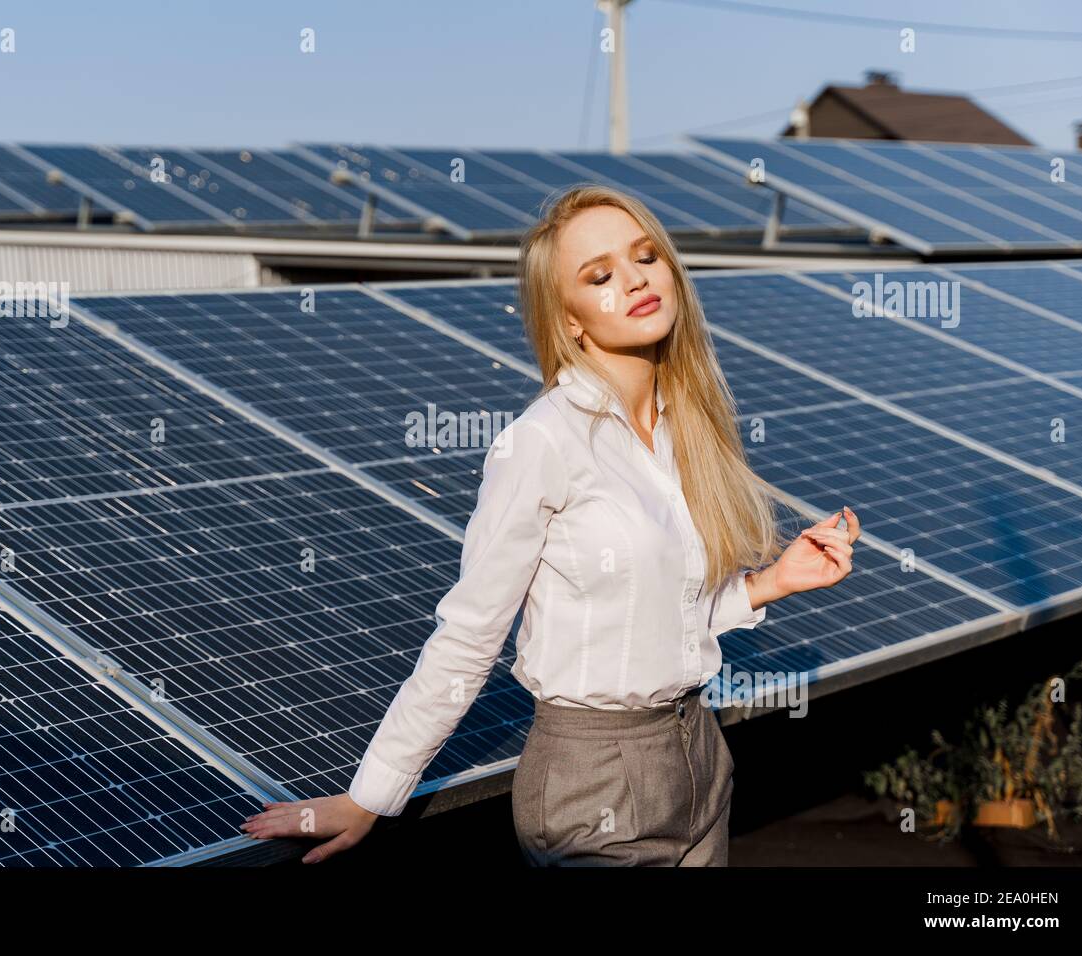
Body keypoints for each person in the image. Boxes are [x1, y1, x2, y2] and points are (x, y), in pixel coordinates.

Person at [240, 183, 860, 865]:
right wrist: (372, 794)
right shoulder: (541, 443)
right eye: (599, 276)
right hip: (593, 783)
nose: (633, 280)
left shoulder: (682, 432)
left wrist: (769, 583)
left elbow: (656, 616)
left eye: (645, 257)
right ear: (570, 321)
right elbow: (470, 633)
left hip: (700, 757)